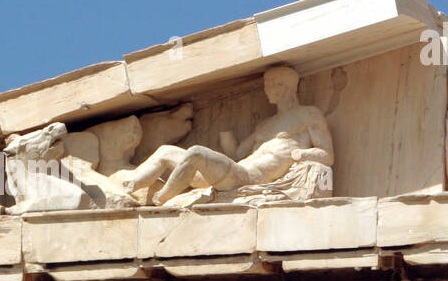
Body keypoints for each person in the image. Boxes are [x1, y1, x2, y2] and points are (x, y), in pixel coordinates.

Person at [115, 65, 333, 205]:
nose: (267, 89)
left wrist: (298, 154)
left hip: (248, 179)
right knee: (165, 151)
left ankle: (161, 199)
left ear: (286, 87)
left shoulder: (308, 114)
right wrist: (225, 132)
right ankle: (128, 188)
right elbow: (237, 153)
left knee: (196, 153)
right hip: (233, 172)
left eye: (272, 84)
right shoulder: (265, 125)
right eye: (266, 84)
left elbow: (327, 155)